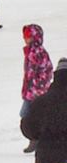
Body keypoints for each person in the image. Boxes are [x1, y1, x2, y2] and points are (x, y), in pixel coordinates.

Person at [25, 25, 53, 155]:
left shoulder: (39, 52)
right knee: (26, 114)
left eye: (28, 36)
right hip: (30, 91)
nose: (26, 39)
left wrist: (36, 85)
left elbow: (46, 72)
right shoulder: (30, 51)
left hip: (37, 91)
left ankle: (36, 139)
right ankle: (35, 138)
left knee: (29, 115)